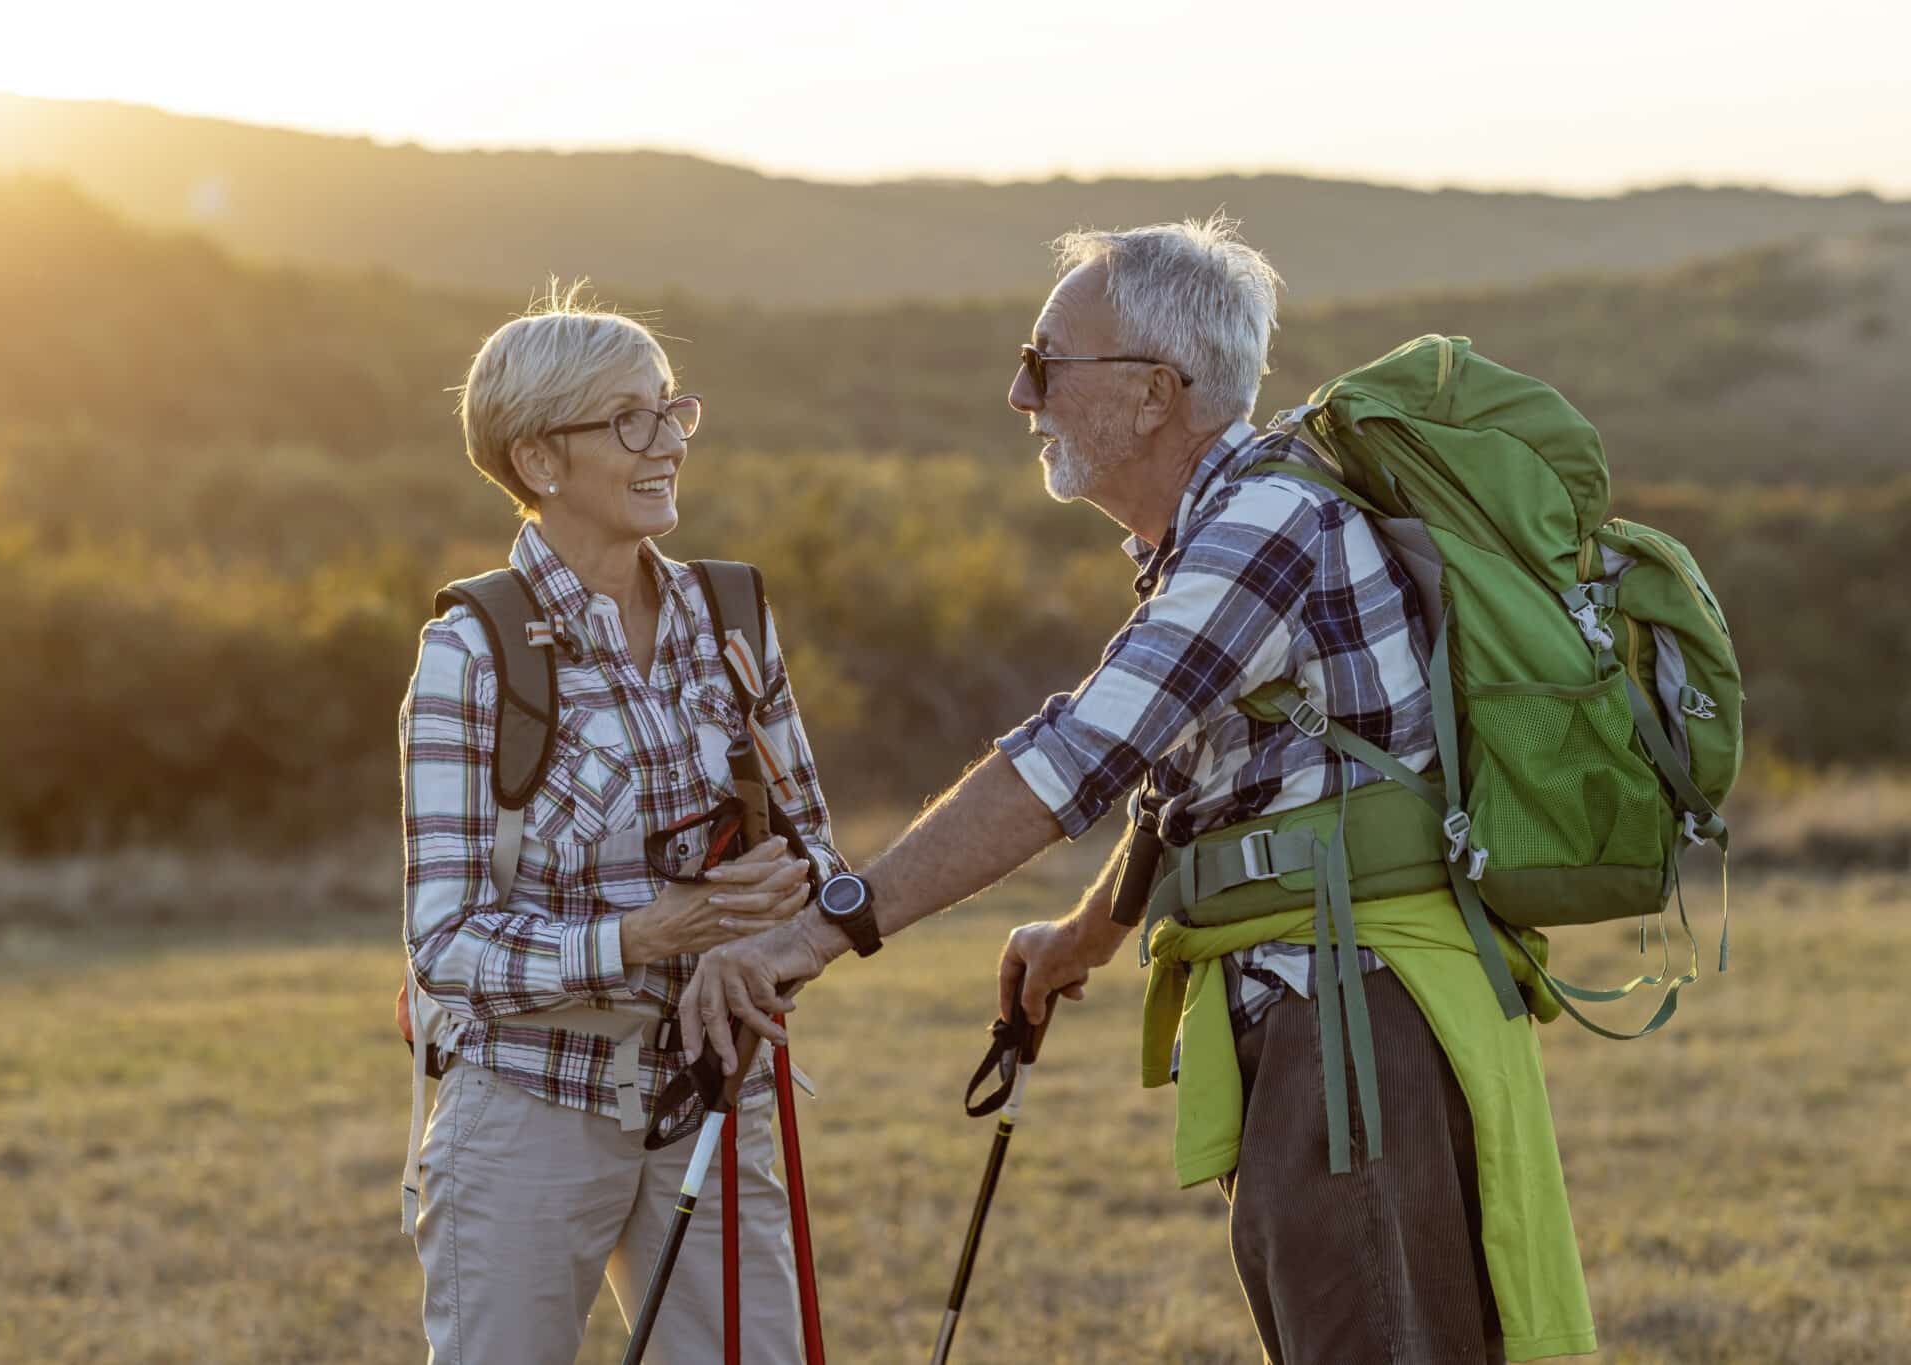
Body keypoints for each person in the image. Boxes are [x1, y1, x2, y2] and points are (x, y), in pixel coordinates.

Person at [679, 218, 1597, 1363]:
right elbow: (1186, 792)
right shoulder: (1219, 528)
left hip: (1354, 1011)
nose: (1022, 394)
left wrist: (821, 931)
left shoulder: (1270, 523)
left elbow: (1077, 757)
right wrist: (1087, 933)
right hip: (1334, 1001)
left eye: (1047, 363)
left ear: (1156, 393)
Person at [398, 288, 840, 1364]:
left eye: (671, 412)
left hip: (709, 1098)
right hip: (524, 1114)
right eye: (628, 421)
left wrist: (749, 953)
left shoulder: (730, 617)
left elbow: (815, 856)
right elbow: (445, 944)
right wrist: (648, 937)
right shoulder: (474, 651)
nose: (666, 445)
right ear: (541, 461)